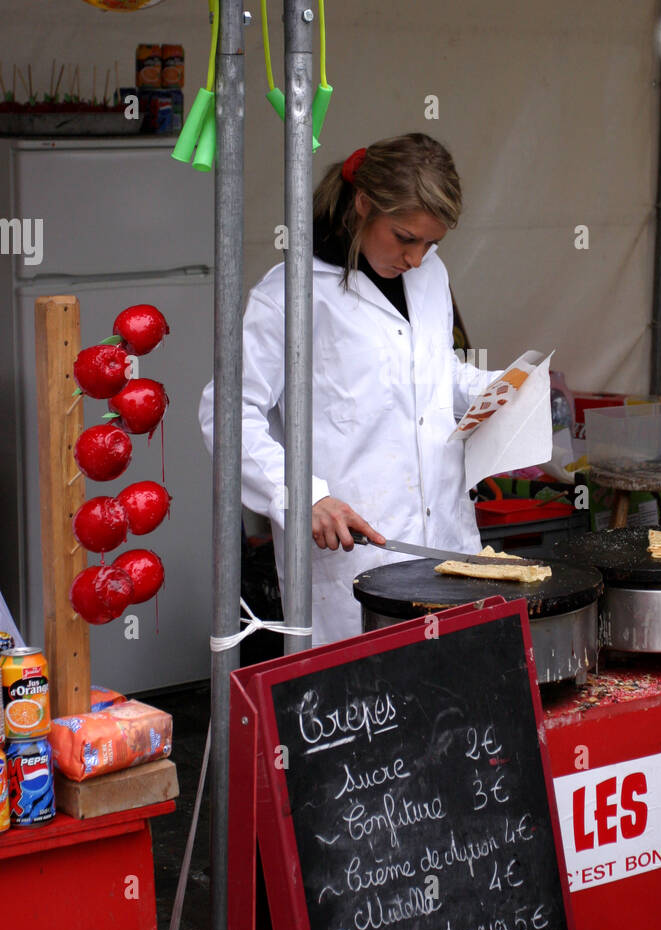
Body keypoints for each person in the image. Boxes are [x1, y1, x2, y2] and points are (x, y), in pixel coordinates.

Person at [199, 132, 500, 647]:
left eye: (431, 244)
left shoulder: (429, 276)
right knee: (365, 711)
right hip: (354, 559)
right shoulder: (292, 293)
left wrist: (494, 390)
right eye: (405, 237)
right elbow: (227, 414)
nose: (416, 258)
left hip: (446, 547)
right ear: (363, 204)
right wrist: (299, 496)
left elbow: (432, 369)